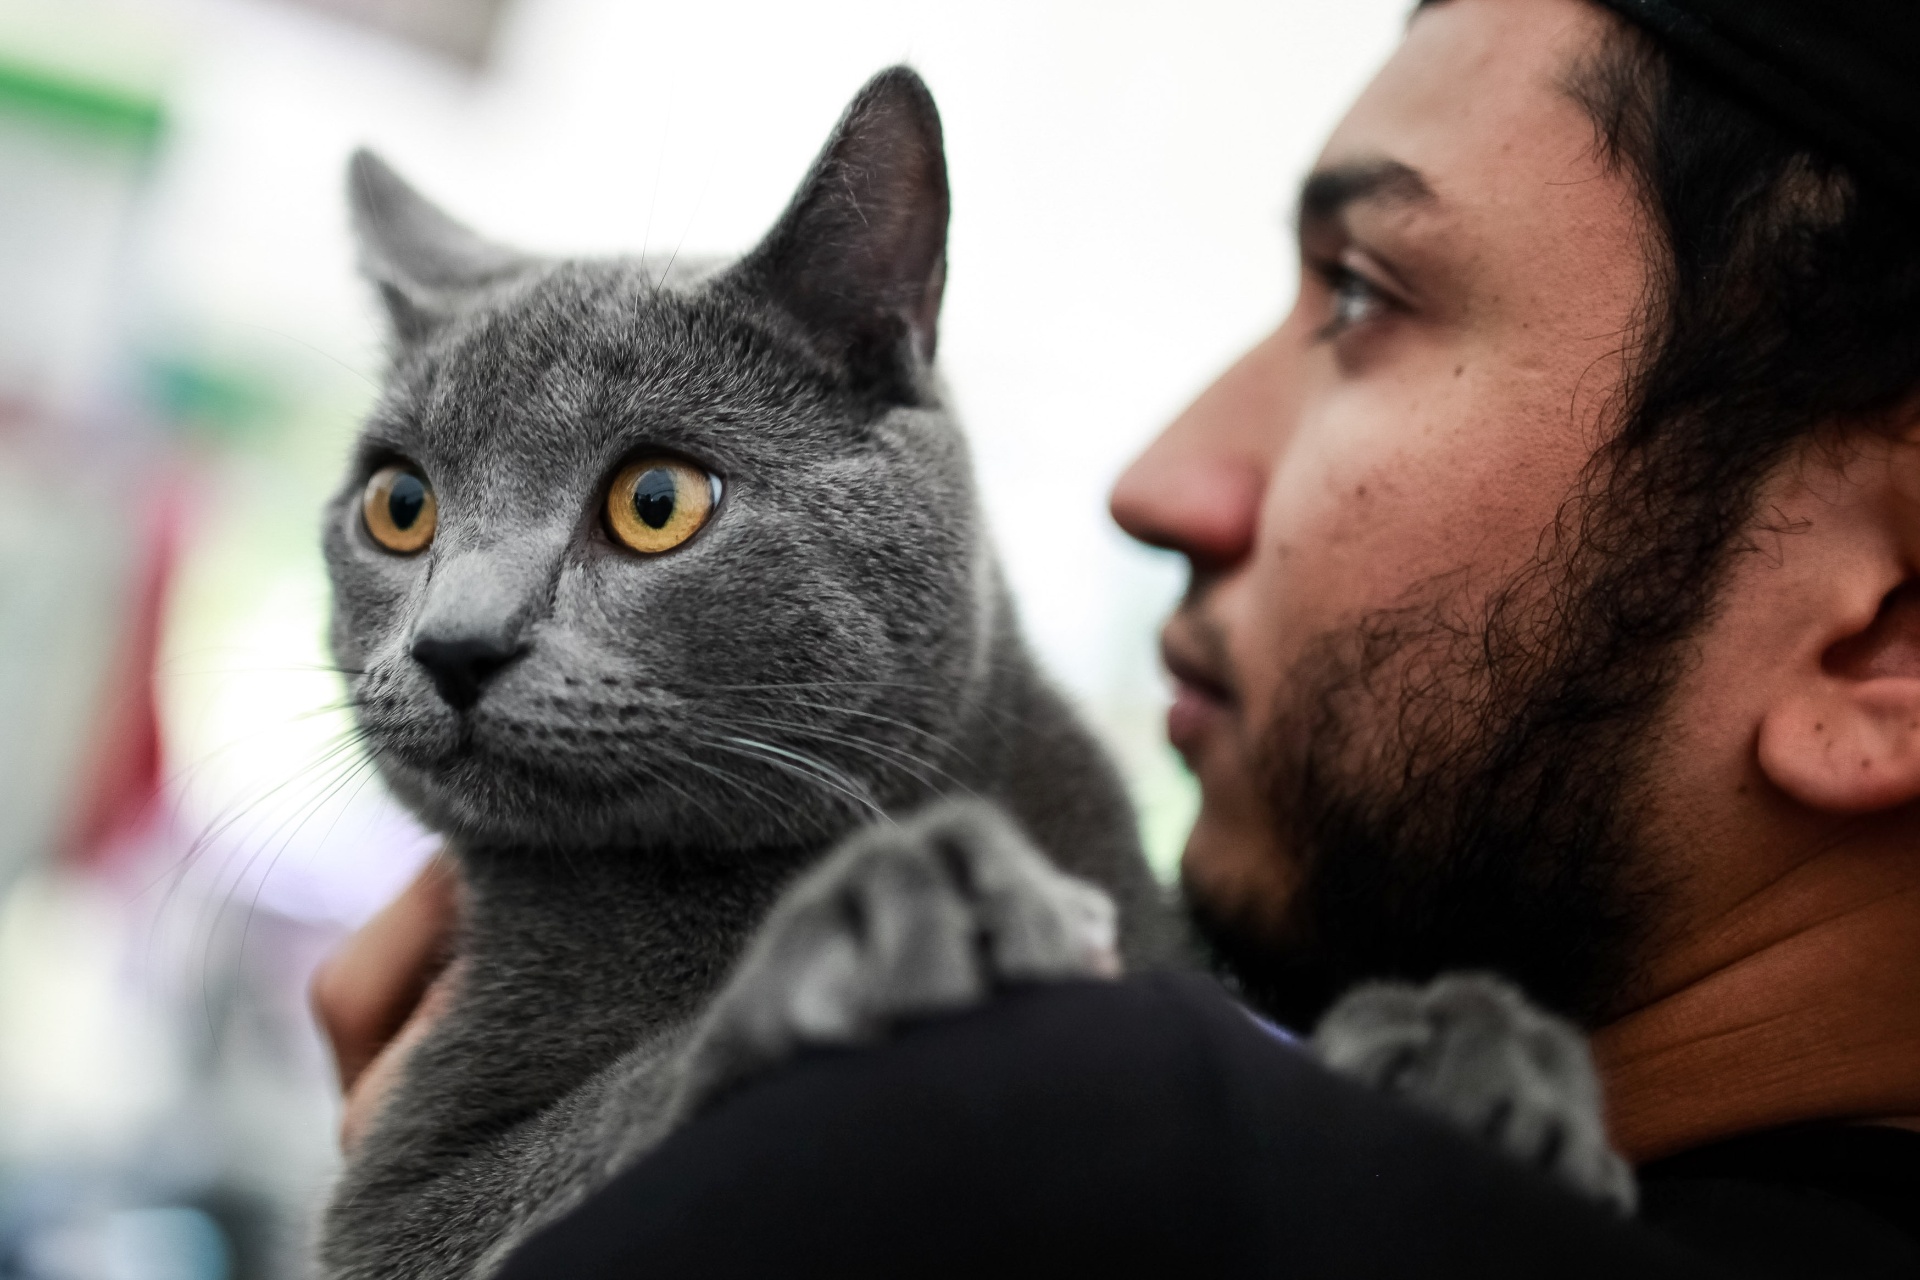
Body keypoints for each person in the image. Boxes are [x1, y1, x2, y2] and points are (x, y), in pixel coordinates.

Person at [312, 0, 1920, 1273]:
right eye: (401, 510)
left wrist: (774, 1119)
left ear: (1887, 635)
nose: (1155, 480)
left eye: (1363, 299)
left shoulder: (1100, 1136)